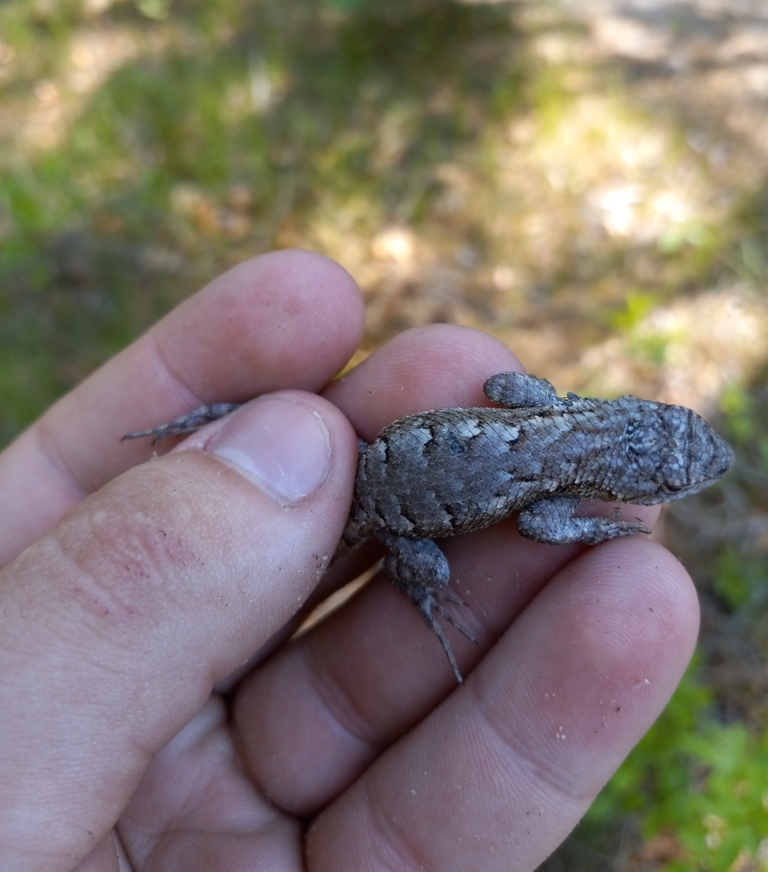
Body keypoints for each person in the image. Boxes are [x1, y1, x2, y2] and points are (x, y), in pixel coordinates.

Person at [0, 249, 699, 872]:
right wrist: (599, 532)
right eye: (669, 477)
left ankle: (214, 422)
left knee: (309, 447)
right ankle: (416, 592)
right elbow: (545, 526)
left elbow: (500, 391)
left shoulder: (545, 408)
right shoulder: (560, 490)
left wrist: (567, 415)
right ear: (621, 480)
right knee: (427, 573)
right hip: (387, 519)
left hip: (376, 463)